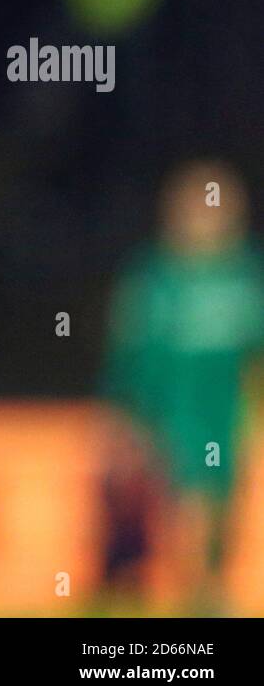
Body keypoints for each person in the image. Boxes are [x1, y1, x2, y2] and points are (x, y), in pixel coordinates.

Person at [103, 160, 264, 614]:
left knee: (221, 511)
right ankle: (198, 596)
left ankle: (206, 590)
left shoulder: (247, 273)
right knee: (184, 507)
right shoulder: (155, 275)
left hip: (228, 414)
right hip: (170, 414)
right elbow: (128, 357)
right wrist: (125, 420)